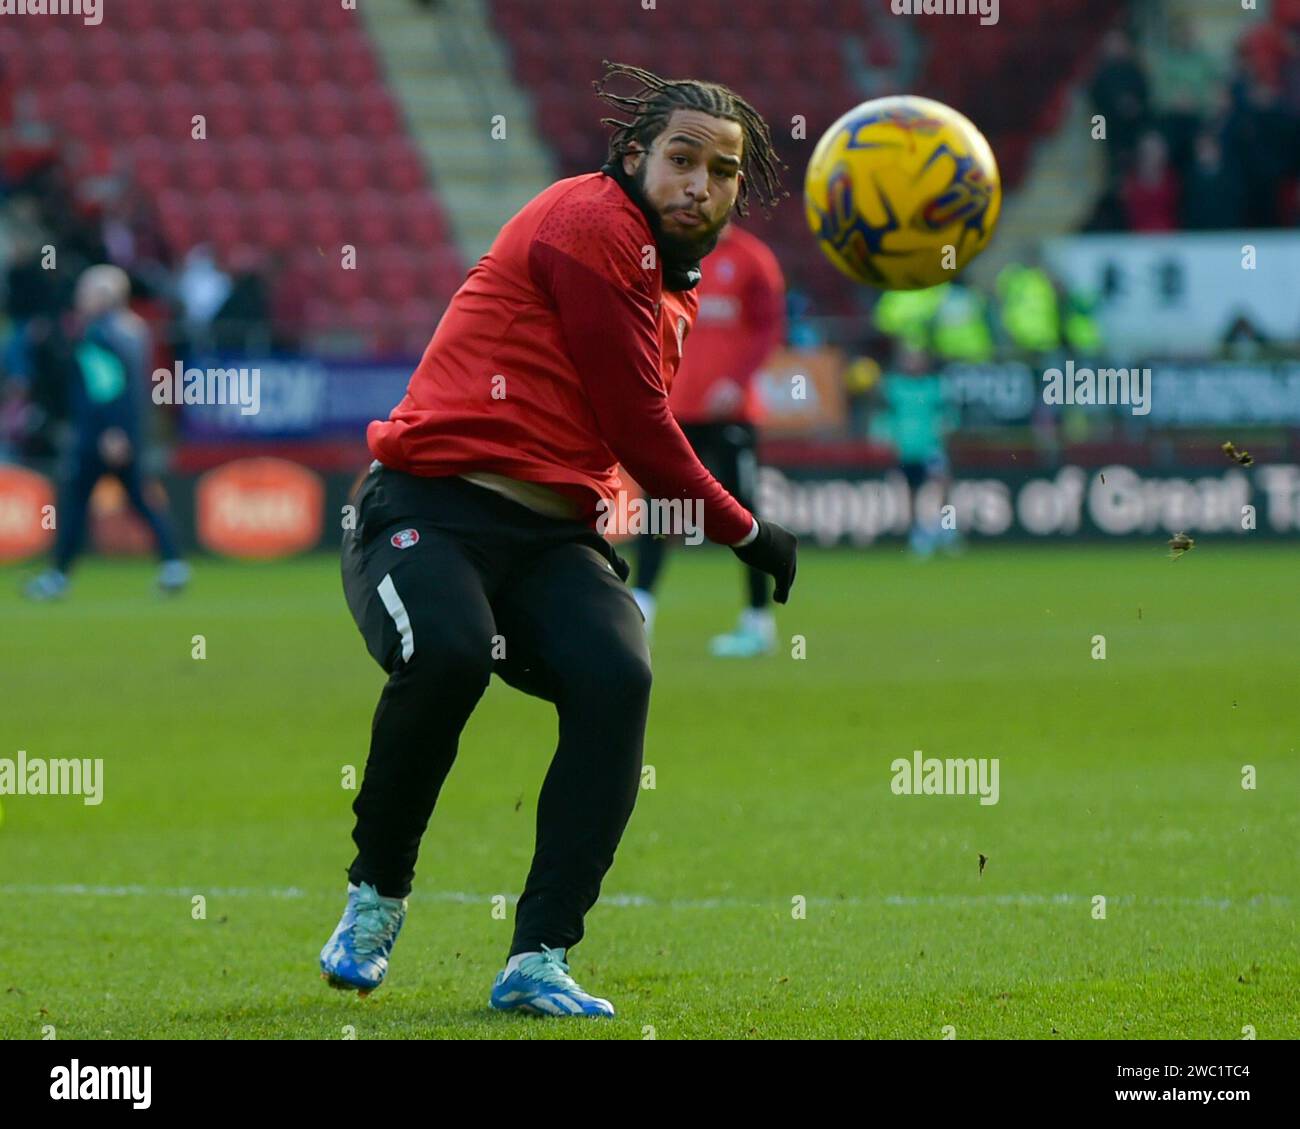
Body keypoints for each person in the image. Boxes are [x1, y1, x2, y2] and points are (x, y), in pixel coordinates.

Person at [320, 61, 799, 1018]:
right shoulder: (591, 223)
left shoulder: (674, 278)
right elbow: (637, 425)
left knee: (617, 677)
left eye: (722, 170)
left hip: (551, 539)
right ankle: (374, 899)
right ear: (632, 156)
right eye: (680, 158)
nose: (700, 184)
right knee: (449, 651)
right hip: (426, 508)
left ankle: (539, 954)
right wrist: (748, 530)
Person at [630, 220, 786, 657]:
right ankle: (640, 617)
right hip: (675, 409)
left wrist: (737, 381)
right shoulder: (665, 254)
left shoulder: (752, 259)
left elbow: (768, 328)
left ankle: (759, 620)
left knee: (744, 516)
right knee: (658, 513)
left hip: (730, 412)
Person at [24, 265, 188, 600]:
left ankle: (58, 576)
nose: (79, 298)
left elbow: (106, 386)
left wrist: (111, 431)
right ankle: (174, 565)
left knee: (75, 503)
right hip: (128, 431)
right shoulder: (135, 329)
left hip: (99, 435)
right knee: (141, 499)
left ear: (105, 295)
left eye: (86, 291)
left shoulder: (98, 333)